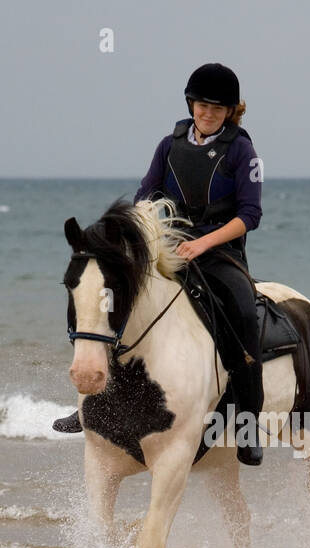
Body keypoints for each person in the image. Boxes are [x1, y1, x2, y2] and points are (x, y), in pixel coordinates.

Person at [55, 63, 265, 466]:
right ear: (191, 103)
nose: (208, 113)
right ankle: (88, 403)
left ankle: (248, 424)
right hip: (168, 246)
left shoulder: (241, 150)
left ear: (231, 112)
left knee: (243, 311)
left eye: (217, 108)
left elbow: (250, 215)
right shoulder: (169, 145)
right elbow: (145, 194)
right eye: (202, 104)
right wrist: (140, 240)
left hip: (220, 253)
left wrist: (203, 243)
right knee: (110, 303)